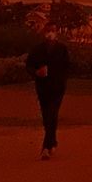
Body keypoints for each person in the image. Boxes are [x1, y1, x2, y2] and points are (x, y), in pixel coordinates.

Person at [25, 29, 70, 160]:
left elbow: (67, 66)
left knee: (52, 113)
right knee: (46, 116)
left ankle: (45, 147)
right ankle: (52, 141)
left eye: (53, 31)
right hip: (43, 88)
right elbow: (29, 65)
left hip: (57, 87)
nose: (50, 34)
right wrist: (36, 72)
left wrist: (61, 79)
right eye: (49, 31)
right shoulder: (37, 49)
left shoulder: (62, 49)